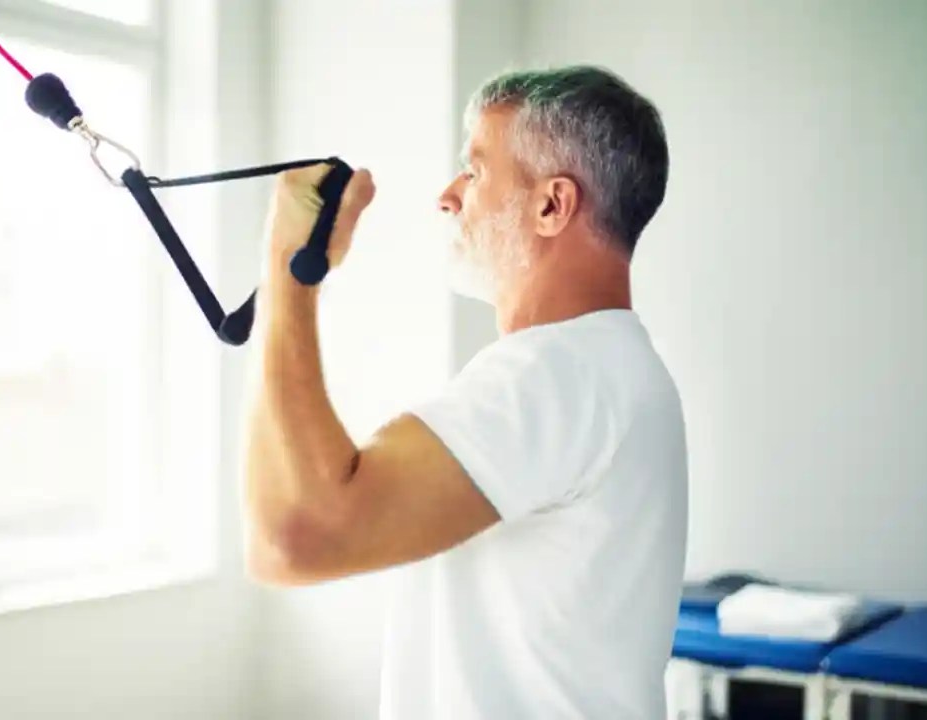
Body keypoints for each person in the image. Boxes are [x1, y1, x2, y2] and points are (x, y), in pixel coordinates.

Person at [241, 65, 687, 719]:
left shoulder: (558, 371)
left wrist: (287, 270)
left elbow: (293, 537)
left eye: (474, 170)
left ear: (551, 205)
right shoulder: (617, 367)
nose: (448, 197)